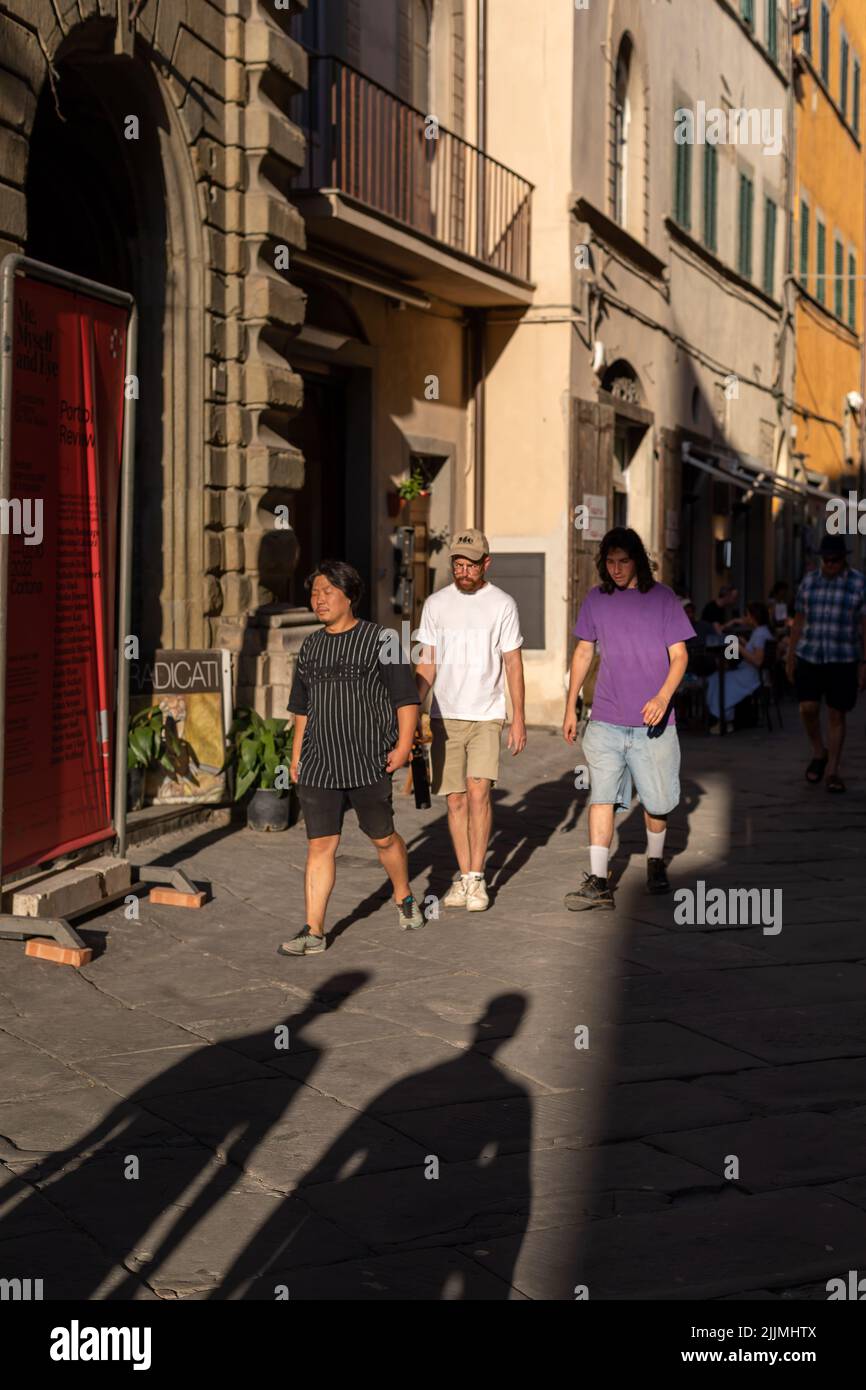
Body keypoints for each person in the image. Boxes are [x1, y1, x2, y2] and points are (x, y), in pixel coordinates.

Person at [279, 560, 423, 956]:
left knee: (382, 838)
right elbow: (302, 708)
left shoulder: (382, 640)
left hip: (367, 761)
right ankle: (314, 929)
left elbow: (406, 699)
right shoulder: (310, 645)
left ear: (348, 595)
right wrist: (296, 758)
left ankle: (403, 895)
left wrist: (403, 745)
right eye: (314, 593)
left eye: (327, 592)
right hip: (320, 762)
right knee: (319, 846)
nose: (318, 600)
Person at [562, 527, 695, 909]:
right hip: (605, 718)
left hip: (654, 724)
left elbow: (680, 656)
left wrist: (662, 696)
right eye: (610, 562)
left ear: (637, 559)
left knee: (657, 802)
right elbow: (583, 653)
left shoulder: (663, 599)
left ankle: (655, 861)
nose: (616, 569)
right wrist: (572, 705)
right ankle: (599, 881)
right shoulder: (596, 600)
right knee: (601, 796)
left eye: (623, 561)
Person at [414, 528, 526, 912]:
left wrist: (518, 718)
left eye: (470, 565)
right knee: (456, 799)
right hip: (445, 714)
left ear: (486, 564)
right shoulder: (436, 604)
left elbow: (513, 662)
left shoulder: (503, 604)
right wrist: (414, 709)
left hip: (486, 714)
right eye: (457, 564)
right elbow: (427, 661)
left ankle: (478, 879)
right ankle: (463, 877)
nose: (462, 571)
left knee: (479, 791)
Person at [785, 534, 866, 793]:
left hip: (843, 657)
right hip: (810, 654)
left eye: (835, 560)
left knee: (836, 712)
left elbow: (865, 626)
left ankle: (832, 771)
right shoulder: (809, 582)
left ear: (844, 559)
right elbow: (798, 620)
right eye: (827, 560)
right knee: (807, 708)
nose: (830, 565)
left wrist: (864, 662)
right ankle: (819, 751)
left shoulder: (859, 583)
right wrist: (790, 654)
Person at [705, 601, 773, 733]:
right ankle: (722, 717)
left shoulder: (759, 633)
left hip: (752, 676)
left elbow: (758, 661)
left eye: (747, 615)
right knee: (716, 677)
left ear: (753, 617)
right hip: (751, 673)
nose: (745, 618)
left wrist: (739, 647)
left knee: (720, 679)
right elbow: (756, 652)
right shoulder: (762, 631)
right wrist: (744, 642)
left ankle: (725, 720)